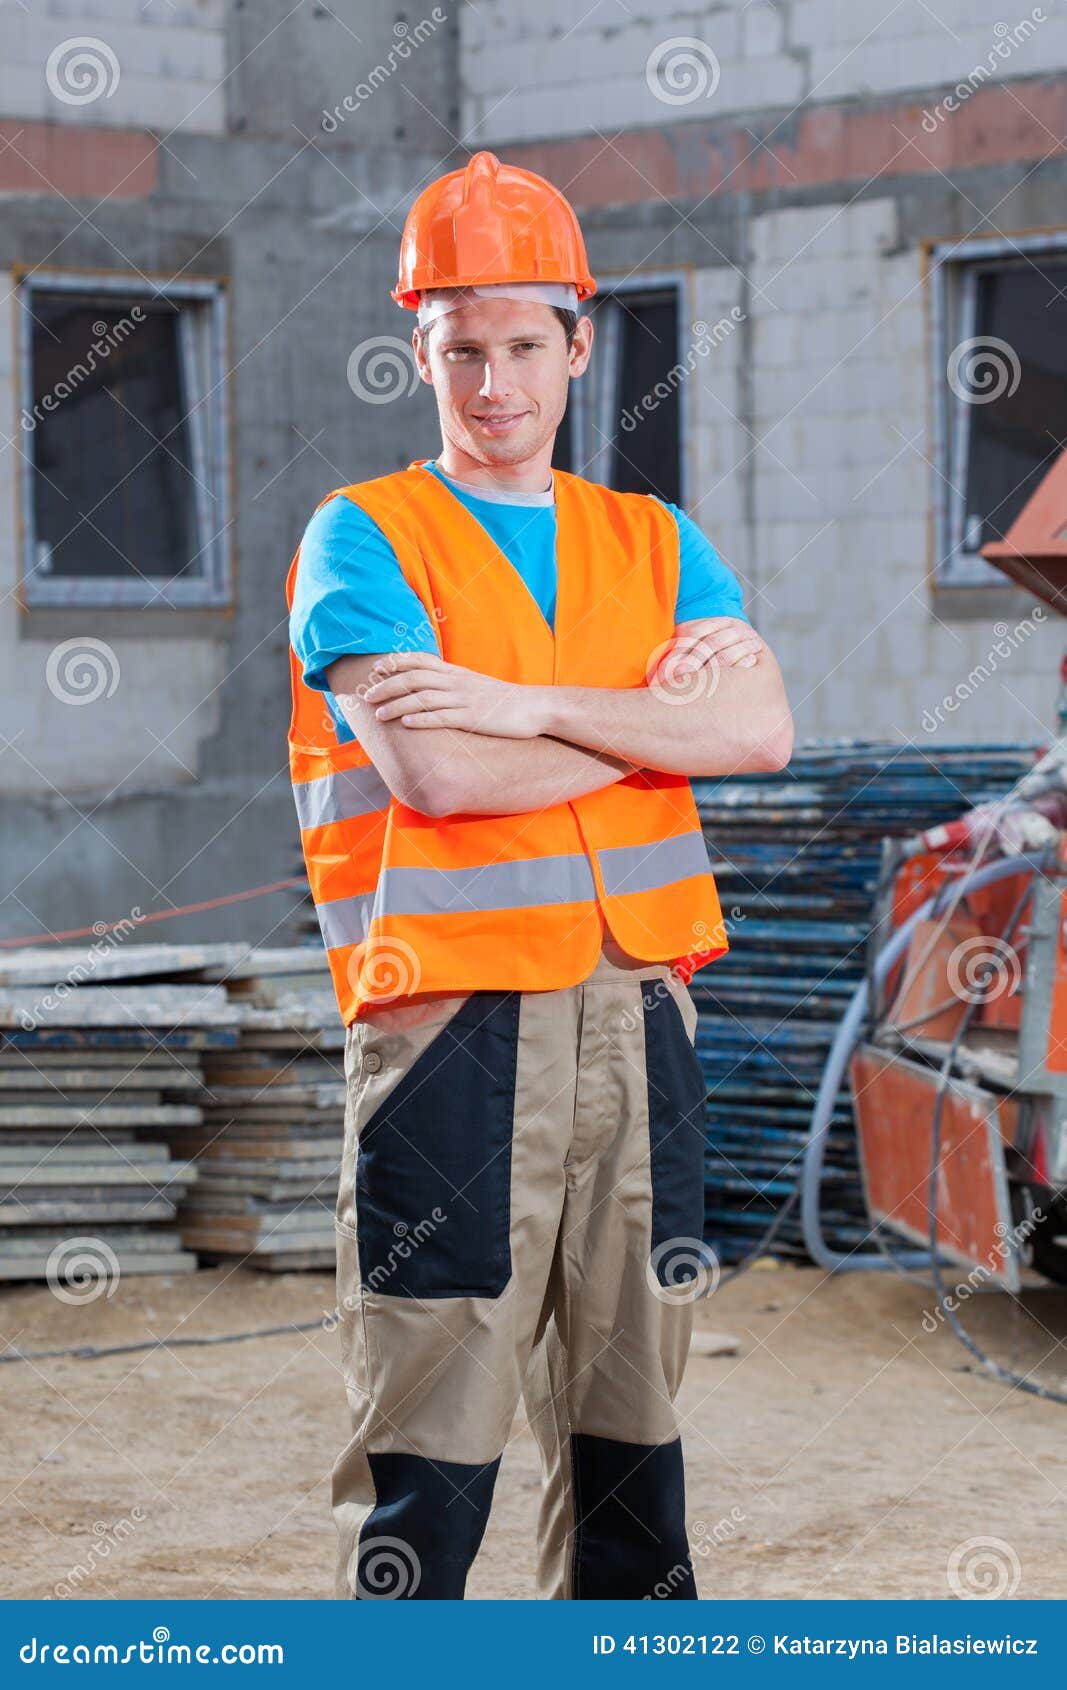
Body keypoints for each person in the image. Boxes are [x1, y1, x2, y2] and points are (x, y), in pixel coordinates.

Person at [285, 150, 793, 1601]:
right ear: (420, 351)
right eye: (461, 350)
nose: (494, 382)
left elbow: (758, 729)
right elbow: (437, 776)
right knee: (430, 1441)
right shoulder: (365, 536)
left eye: (523, 344)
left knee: (635, 1425)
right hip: (455, 1031)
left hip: (645, 1022)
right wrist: (646, 730)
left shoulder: (653, 539)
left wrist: (519, 701)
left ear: (580, 343)